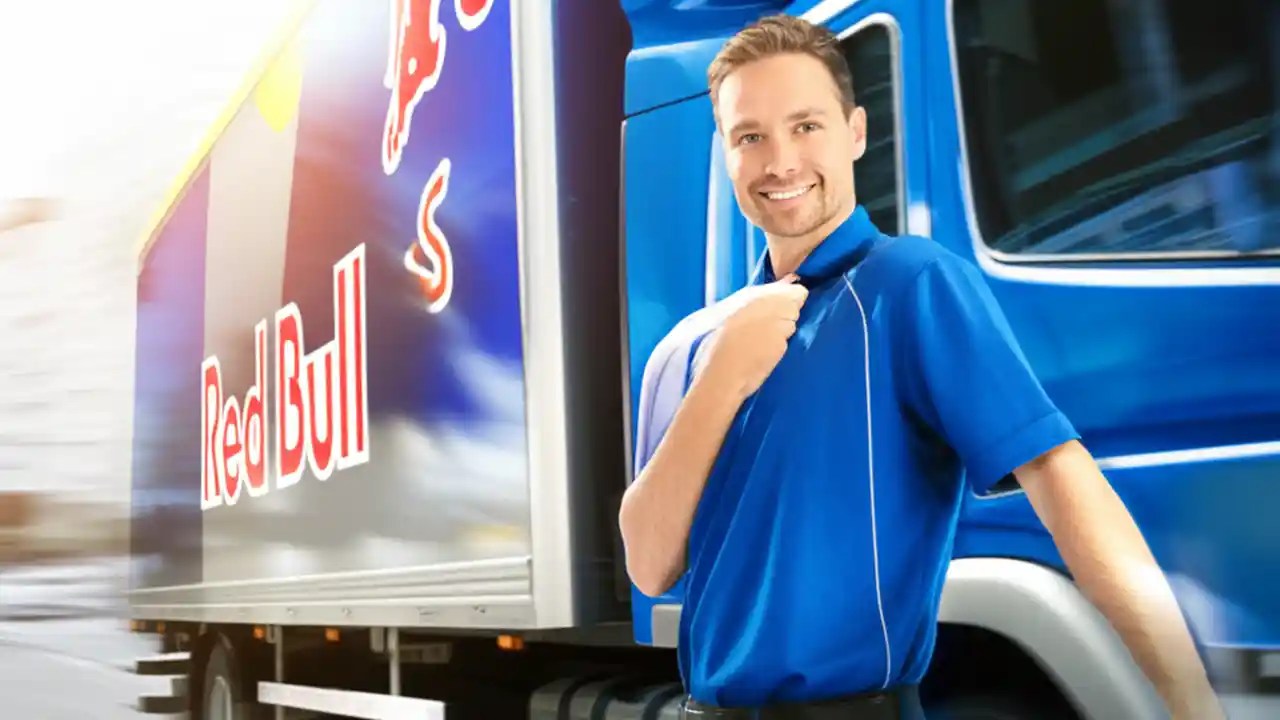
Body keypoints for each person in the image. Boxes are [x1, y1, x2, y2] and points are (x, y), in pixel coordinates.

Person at [617, 14, 1226, 720]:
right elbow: (650, 564)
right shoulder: (693, 347)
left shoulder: (908, 287)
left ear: (856, 133)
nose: (779, 160)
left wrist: (1192, 704)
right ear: (725, 153)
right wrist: (722, 378)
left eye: (807, 126)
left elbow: (1065, 486)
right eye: (750, 136)